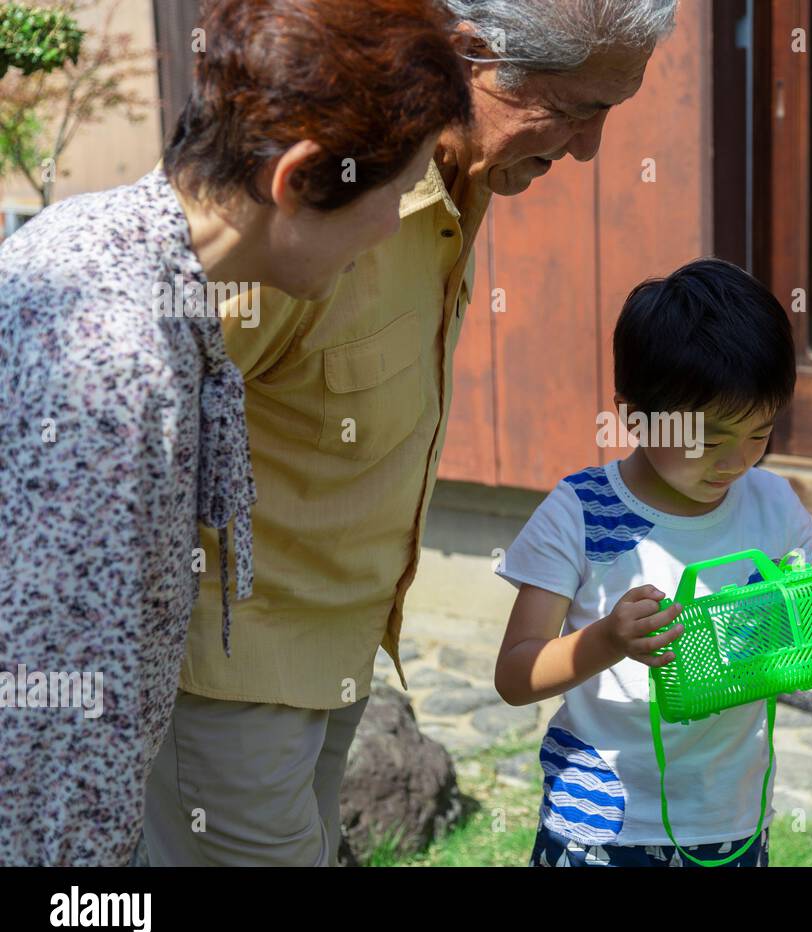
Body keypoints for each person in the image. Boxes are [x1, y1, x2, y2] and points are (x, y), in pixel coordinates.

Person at [144, 0, 680, 867]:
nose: (590, 149)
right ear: (473, 58)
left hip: (342, 643)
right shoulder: (314, 207)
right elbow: (132, 454)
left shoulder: (465, 163)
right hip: (227, 681)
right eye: (580, 109)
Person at [0, 0, 470, 867]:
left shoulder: (107, 241)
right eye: (394, 197)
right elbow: (49, 735)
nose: (391, 230)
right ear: (296, 179)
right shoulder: (118, 365)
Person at [493, 258, 812, 867]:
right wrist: (607, 640)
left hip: (729, 821)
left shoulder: (773, 507)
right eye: (709, 438)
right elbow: (514, 676)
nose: (735, 461)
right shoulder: (581, 512)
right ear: (634, 415)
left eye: (759, 432)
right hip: (600, 824)